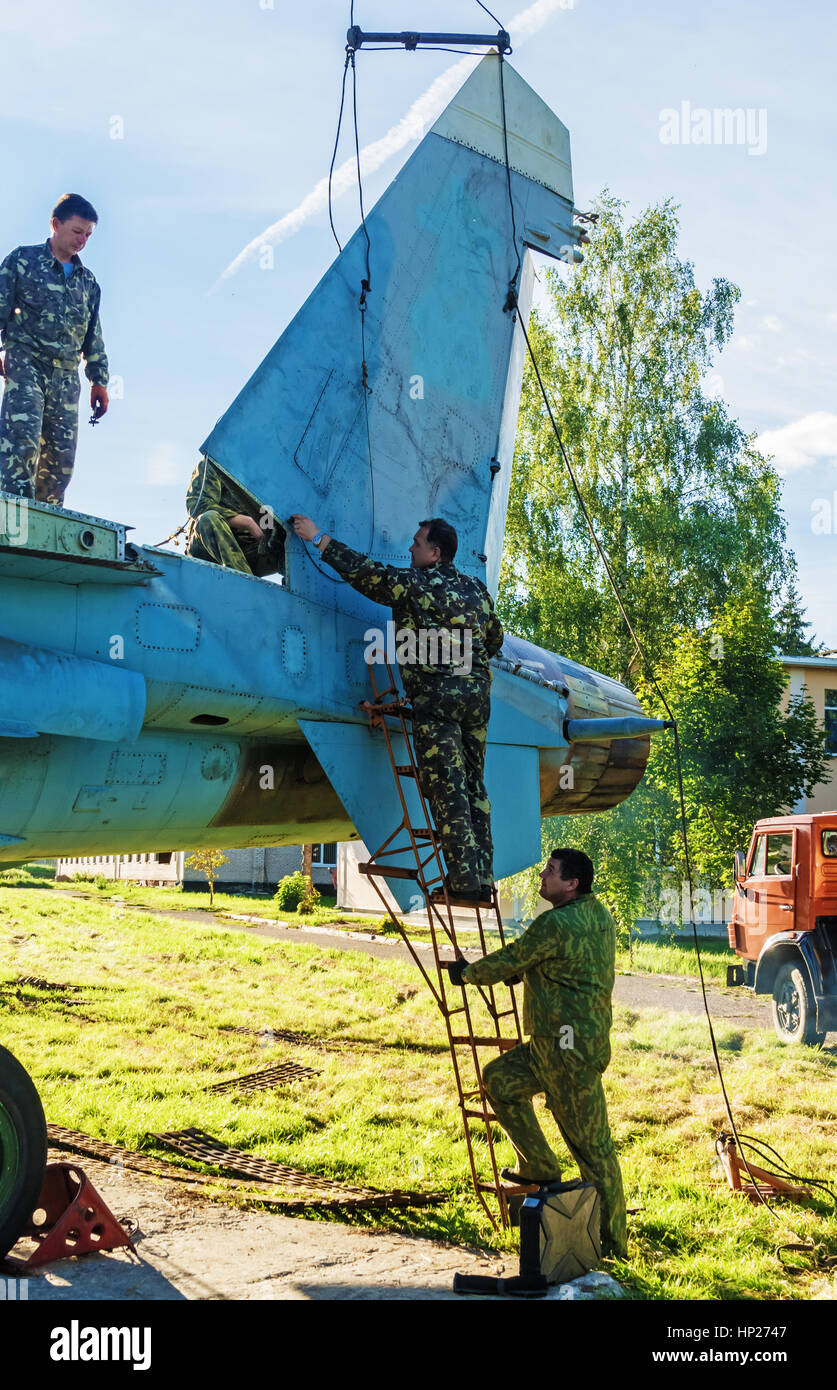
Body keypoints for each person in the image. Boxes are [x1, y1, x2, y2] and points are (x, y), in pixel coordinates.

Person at [291, 513, 504, 902]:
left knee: (447, 789)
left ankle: (465, 885)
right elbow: (494, 641)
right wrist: (458, 664)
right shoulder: (475, 589)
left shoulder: (416, 585)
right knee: (475, 787)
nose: (410, 548)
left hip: (437, 703)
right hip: (475, 701)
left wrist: (317, 538)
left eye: (417, 543)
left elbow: (365, 573)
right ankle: (482, 876)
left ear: (434, 553)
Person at [446, 847, 628, 1256]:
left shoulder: (555, 923)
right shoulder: (597, 915)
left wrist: (469, 974)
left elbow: (517, 955)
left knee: (594, 1152)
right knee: (499, 1080)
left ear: (572, 883)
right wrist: (526, 971)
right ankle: (540, 1164)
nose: (542, 877)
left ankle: (613, 1246)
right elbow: (557, 961)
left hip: (568, 1051)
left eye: (550, 871)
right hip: (555, 1045)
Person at [0, 193, 109, 506]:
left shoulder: (88, 282)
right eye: (77, 232)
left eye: (88, 235)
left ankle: (43, 529)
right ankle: (12, 521)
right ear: (55, 224)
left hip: (65, 376)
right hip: (26, 362)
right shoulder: (22, 260)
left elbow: (93, 336)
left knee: (59, 463)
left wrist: (98, 380)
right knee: (22, 443)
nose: (82, 240)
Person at [185, 457, 285, 577]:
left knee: (291, 540)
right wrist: (248, 523)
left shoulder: (267, 480)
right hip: (209, 545)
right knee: (209, 518)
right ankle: (245, 585)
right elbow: (198, 505)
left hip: (248, 552)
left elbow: (268, 521)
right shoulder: (216, 462)